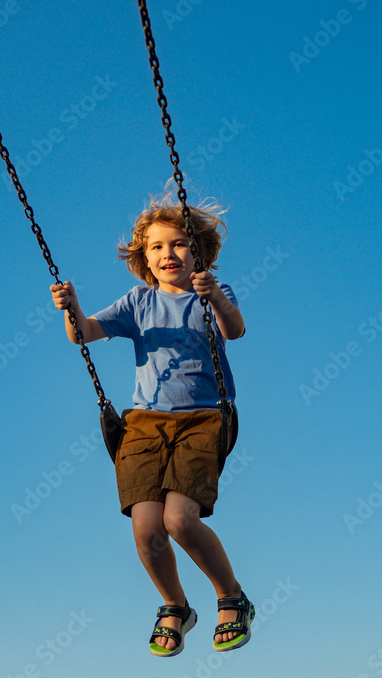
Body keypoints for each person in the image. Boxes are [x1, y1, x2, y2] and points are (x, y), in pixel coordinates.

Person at [50, 193, 254, 656]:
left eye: (180, 244)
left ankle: (231, 596)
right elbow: (84, 333)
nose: (168, 254)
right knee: (146, 528)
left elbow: (234, 329)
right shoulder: (138, 302)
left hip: (203, 419)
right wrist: (71, 308)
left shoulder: (212, 295)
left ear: (199, 252)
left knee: (180, 520)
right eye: (158, 247)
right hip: (144, 424)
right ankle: (175, 607)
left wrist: (215, 296)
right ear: (145, 257)